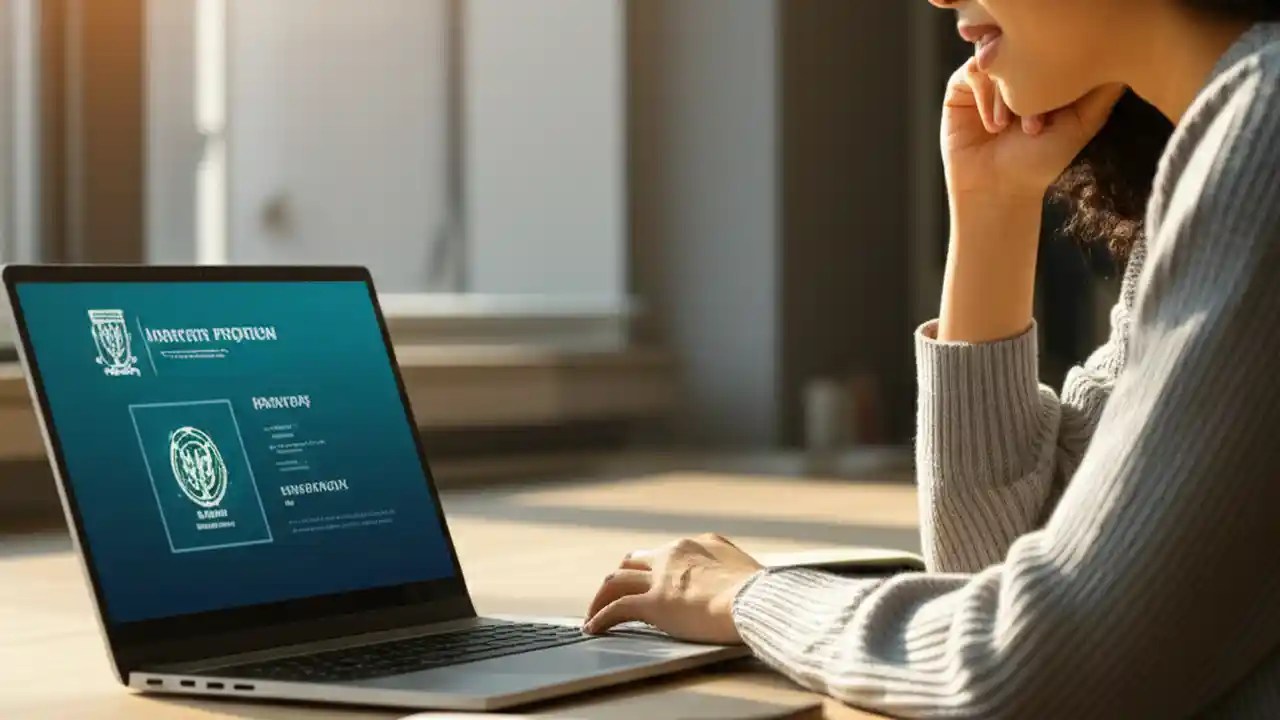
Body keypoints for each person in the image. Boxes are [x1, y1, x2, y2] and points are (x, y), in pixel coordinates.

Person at [583, 1, 1280, 716]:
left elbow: (1039, 668)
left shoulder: (1265, 132)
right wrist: (993, 205)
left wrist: (750, 598)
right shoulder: (1230, 141)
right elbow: (996, 568)